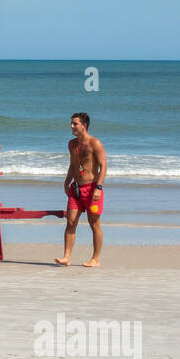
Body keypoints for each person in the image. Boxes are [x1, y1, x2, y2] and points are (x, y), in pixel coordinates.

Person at [55, 112, 106, 267]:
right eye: (71, 123)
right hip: (76, 189)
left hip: (92, 190)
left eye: (75, 123)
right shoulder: (72, 144)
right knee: (70, 222)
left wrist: (98, 187)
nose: (72, 126)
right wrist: (67, 181)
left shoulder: (95, 143)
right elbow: (73, 165)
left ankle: (95, 259)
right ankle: (66, 257)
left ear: (84, 126)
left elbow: (103, 166)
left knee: (94, 223)